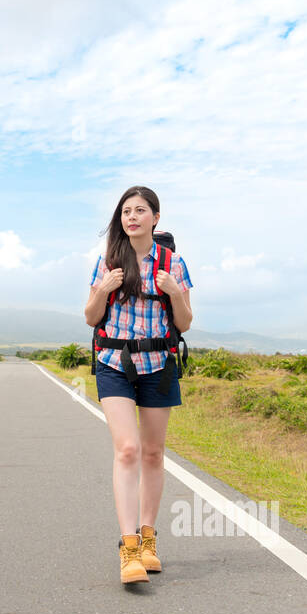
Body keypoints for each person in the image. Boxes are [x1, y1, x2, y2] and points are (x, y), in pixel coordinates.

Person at [84, 186, 193, 584]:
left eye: (140, 210)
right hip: (114, 362)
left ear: (155, 218)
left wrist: (174, 293)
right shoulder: (108, 261)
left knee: (153, 453)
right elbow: (90, 316)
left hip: (159, 362)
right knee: (127, 449)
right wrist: (104, 289)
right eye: (126, 211)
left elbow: (184, 322)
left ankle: (149, 541)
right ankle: (128, 549)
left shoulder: (174, 263)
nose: (132, 217)